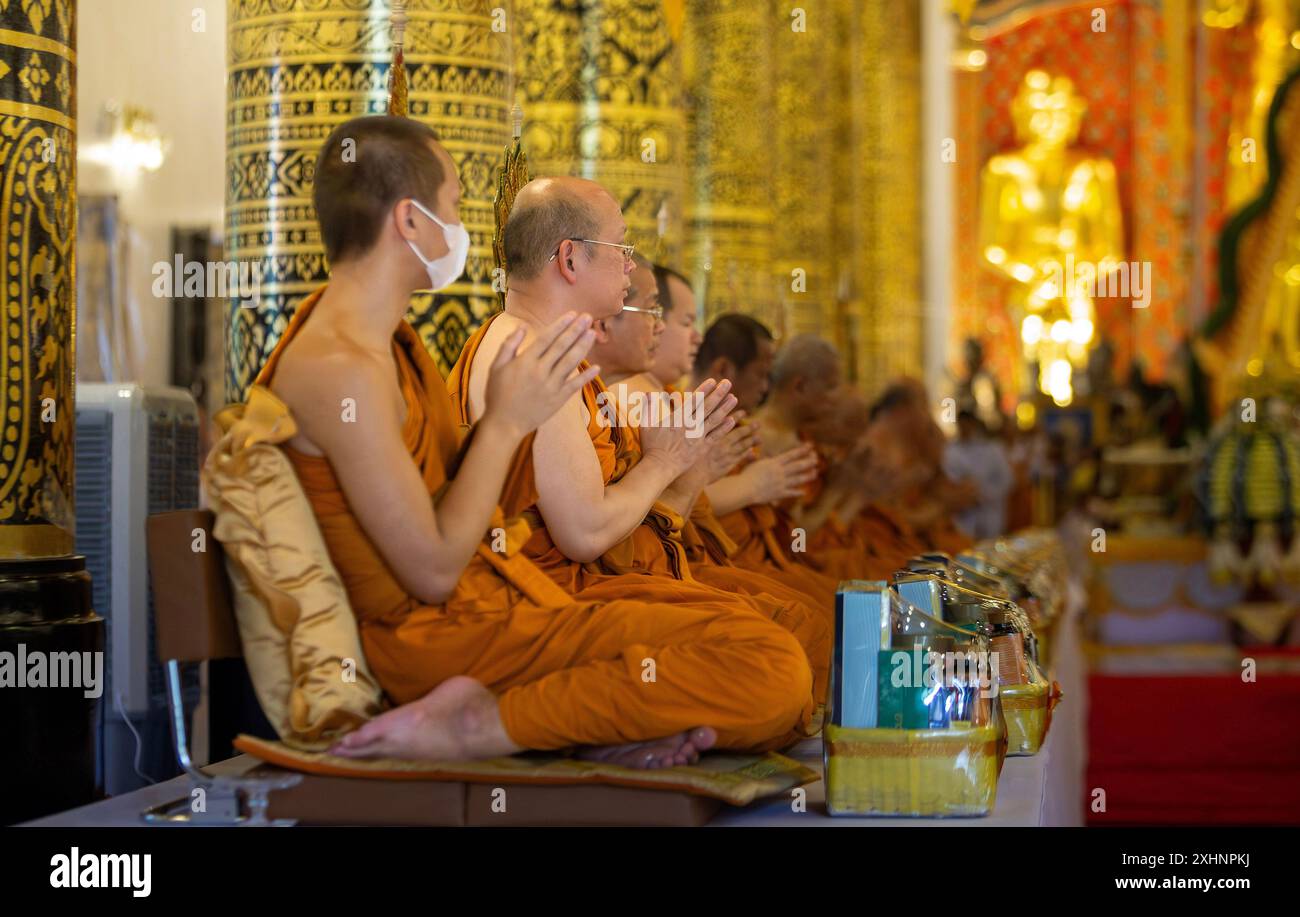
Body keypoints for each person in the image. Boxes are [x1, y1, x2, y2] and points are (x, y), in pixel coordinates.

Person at [258, 116, 815, 768]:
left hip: (495, 602)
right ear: (409, 221)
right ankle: (485, 723)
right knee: (772, 664)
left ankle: (589, 723)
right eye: (454, 206)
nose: (465, 228)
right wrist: (506, 422)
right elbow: (434, 570)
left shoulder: (383, 346)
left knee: (770, 643)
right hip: (439, 638)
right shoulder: (337, 365)